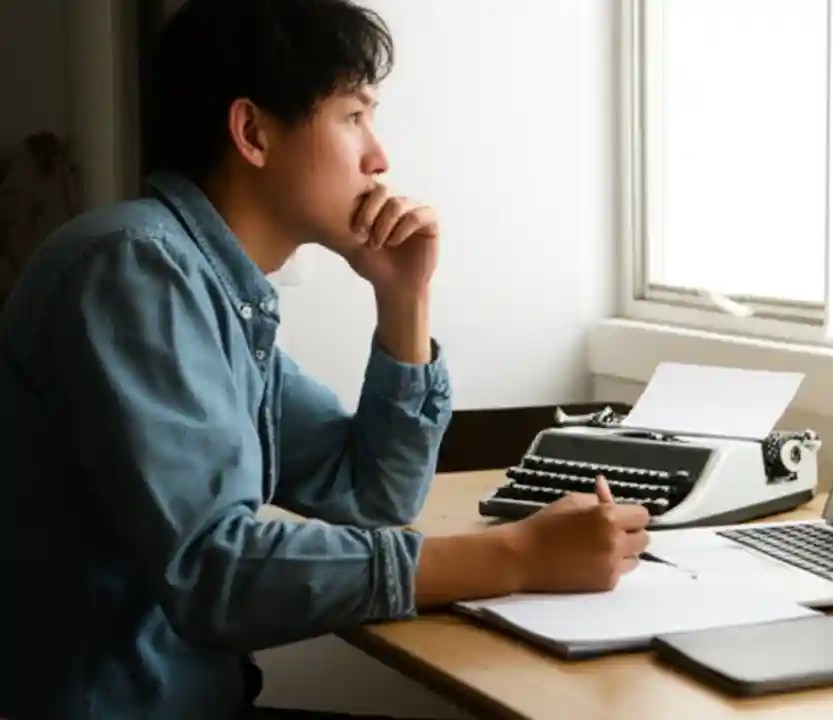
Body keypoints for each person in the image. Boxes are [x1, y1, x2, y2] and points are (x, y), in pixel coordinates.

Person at [0, 1, 649, 717]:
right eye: (353, 116)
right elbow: (216, 572)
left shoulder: (208, 289)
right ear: (252, 132)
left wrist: (404, 301)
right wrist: (516, 557)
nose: (379, 157)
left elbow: (375, 494)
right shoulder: (133, 270)